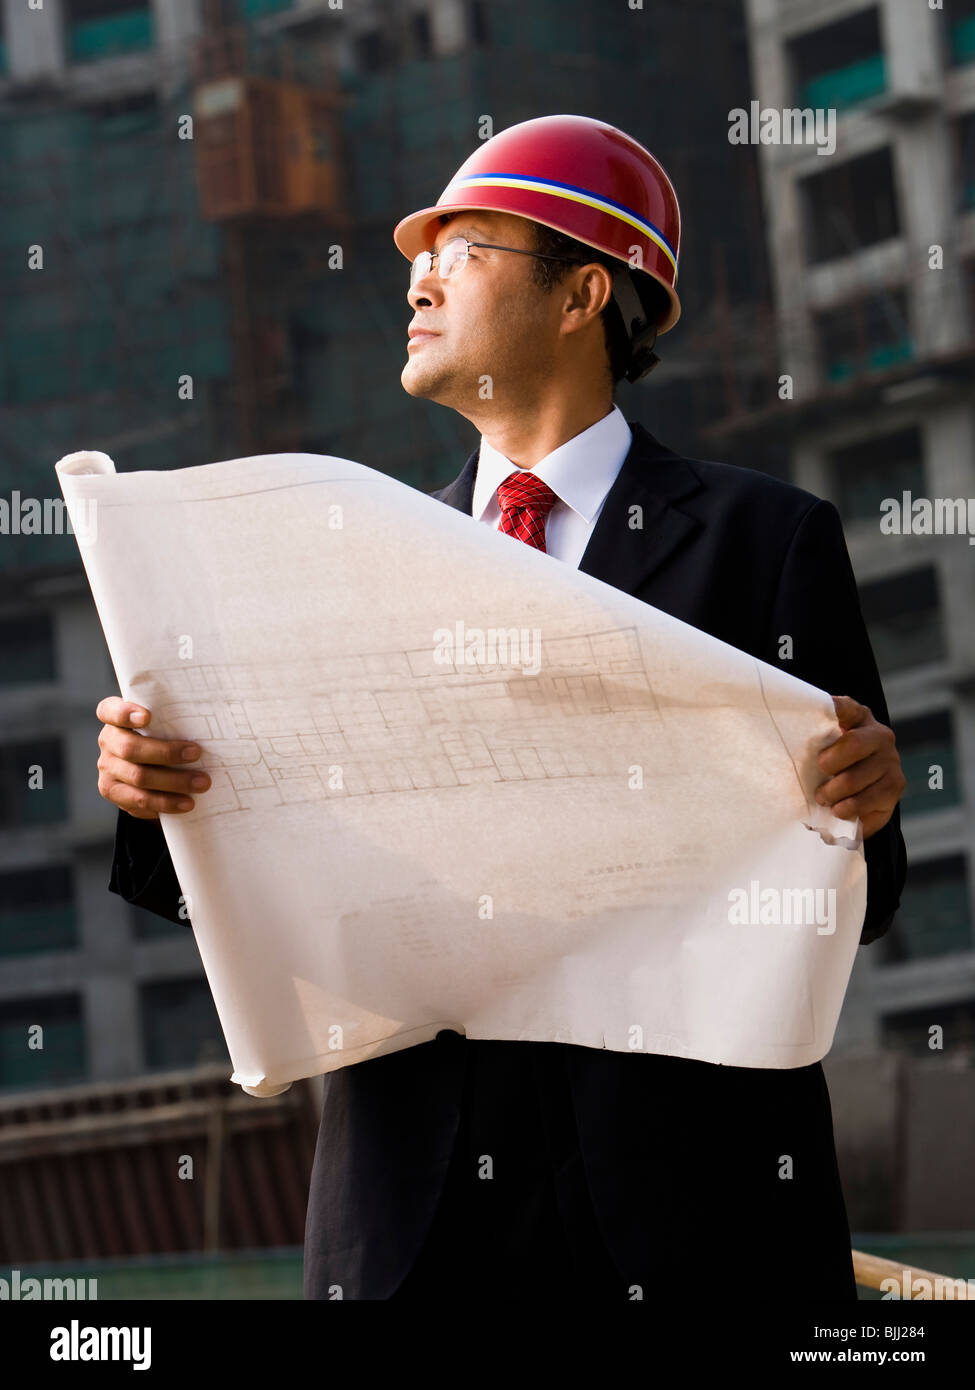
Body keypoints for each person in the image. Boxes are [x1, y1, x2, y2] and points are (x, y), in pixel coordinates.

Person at [96, 115, 907, 1301]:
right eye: (420, 254)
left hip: (692, 1213)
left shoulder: (764, 543)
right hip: (415, 1223)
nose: (418, 276)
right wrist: (156, 797)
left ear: (583, 294)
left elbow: (868, 898)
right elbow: (237, 898)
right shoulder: (343, 566)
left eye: (463, 248)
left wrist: (865, 810)